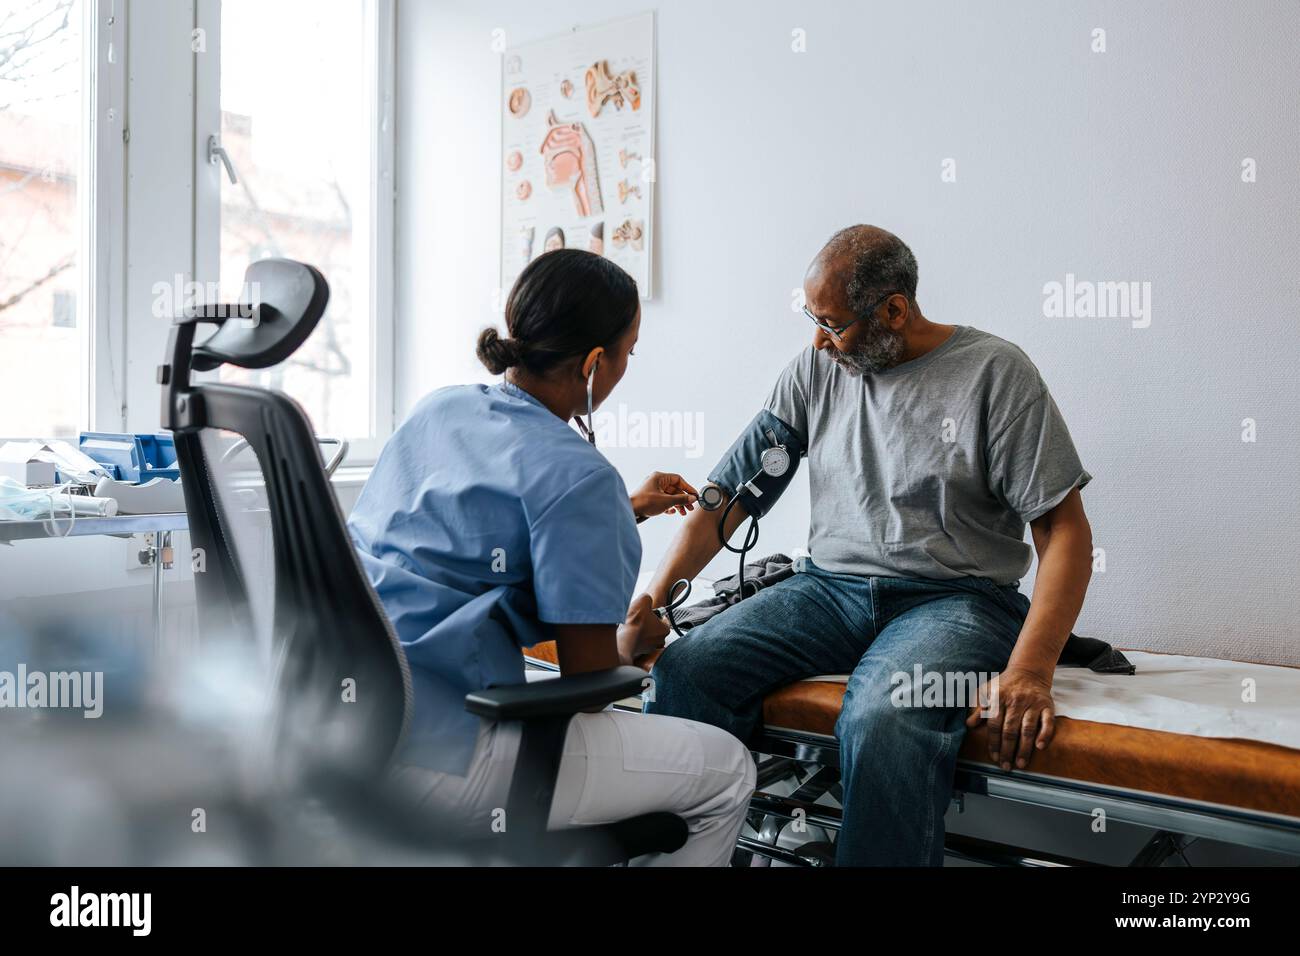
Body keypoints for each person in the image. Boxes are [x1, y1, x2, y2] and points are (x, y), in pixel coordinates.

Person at [620, 225, 1095, 866]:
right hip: (830, 589)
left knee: (885, 715)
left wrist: (1031, 671)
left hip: (959, 599)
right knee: (687, 671)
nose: (819, 339)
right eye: (813, 319)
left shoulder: (994, 374)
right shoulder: (815, 370)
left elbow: (1063, 530)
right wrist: (654, 597)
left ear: (894, 310)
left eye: (835, 324)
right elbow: (726, 499)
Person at [348, 249, 755, 866]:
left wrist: (622, 507)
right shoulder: (578, 478)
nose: (626, 367)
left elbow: (480, 518)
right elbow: (591, 686)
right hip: (450, 753)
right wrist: (630, 639)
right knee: (728, 770)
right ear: (594, 363)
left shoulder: (440, 408)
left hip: (348, 730)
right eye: (629, 352)